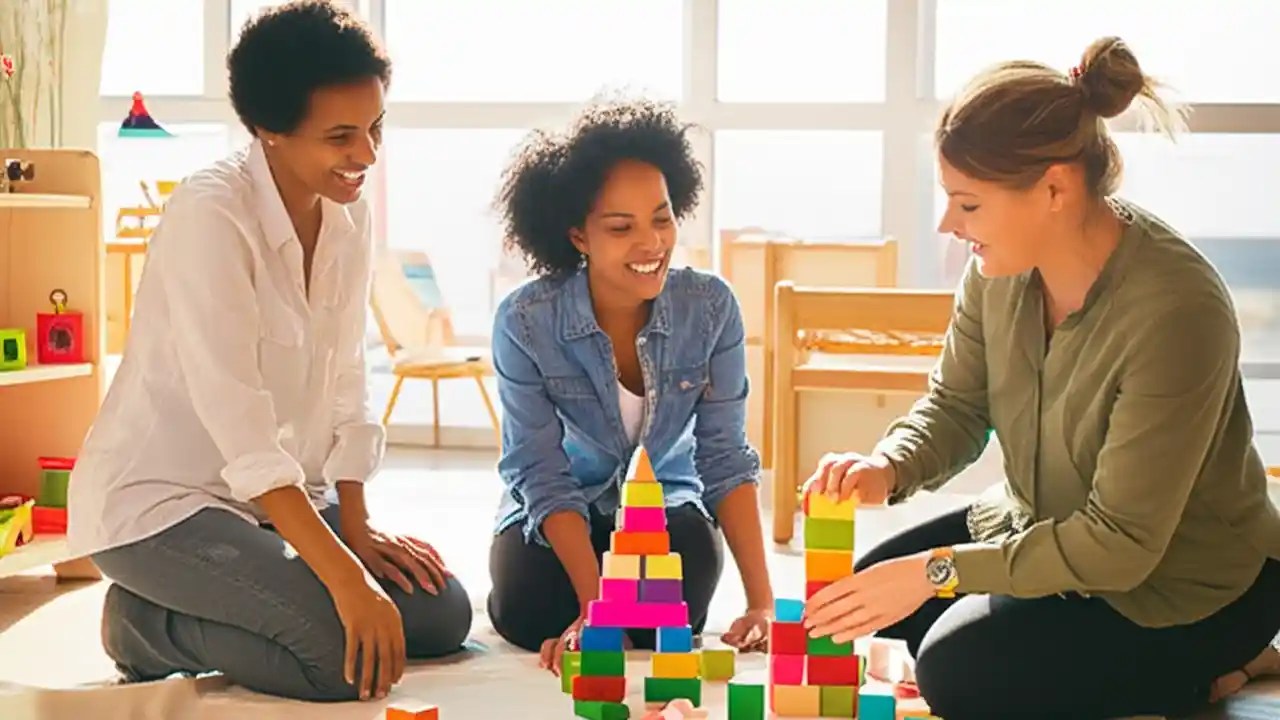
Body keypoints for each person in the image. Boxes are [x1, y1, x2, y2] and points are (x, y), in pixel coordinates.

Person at [801, 37, 1280, 720]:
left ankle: (1221, 660)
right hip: (1044, 524)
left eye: (968, 205)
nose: (948, 224)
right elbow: (957, 405)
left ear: (1054, 188)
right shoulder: (998, 268)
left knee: (955, 673)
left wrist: (936, 570)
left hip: (1179, 583)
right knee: (862, 602)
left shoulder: (1178, 311)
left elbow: (1118, 545)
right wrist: (888, 466)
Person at [67, 0, 472, 703]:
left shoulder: (347, 213)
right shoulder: (210, 215)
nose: (367, 156)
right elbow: (240, 425)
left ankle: (224, 600)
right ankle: (142, 627)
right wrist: (344, 579)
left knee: (439, 615)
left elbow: (347, 376)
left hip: (271, 503)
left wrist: (356, 527)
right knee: (339, 657)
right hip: (163, 509)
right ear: (269, 131)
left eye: (375, 128)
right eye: (341, 136)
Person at [486, 95, 775, 674]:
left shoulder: (710, 308)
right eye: (621, 227)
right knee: (531, 607)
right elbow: (540, 471)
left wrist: (762, 601)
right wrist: (598, 609)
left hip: (662, 506)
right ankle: (584, 598)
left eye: (661, 219)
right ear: (578, 236)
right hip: (561, 513)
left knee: (679, 595)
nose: (652, 244)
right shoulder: (525, 321)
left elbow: (724, 456)